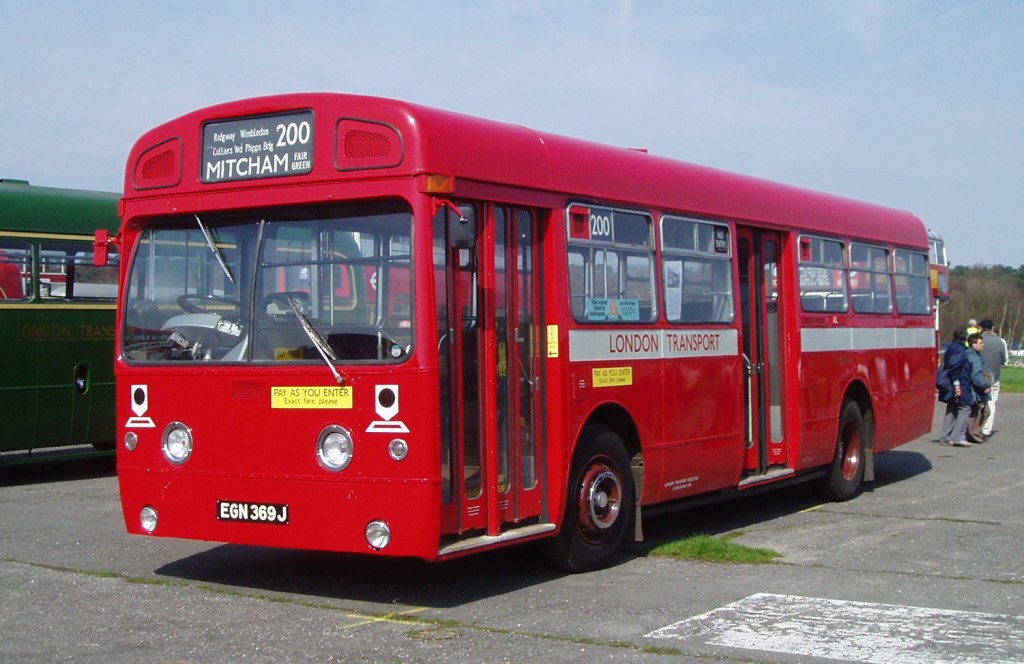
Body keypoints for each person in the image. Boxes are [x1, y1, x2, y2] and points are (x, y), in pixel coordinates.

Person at [938, 327, 973, 447]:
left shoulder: (952, 347)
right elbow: (954, 367)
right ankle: (959, 436)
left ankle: (946, 437)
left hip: (953, 381)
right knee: (965, 407)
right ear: (965, 337)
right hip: (960, 381)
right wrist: (957, 384)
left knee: (952, 407)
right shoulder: (960, 349)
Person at [979, 319, 1008, 437]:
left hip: (978, 376)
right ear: (993, 328)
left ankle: (975, 427)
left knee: (977, 402)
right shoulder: (1001, 341)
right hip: (994, 376)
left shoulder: (977, 340)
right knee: (991, 402)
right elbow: (1004, 360)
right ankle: (986, 429)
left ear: (981, 328)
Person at [964, 333, 992, 442]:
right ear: (973, 343)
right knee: (985, 411)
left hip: (972, 388)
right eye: (981, 343)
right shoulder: (975, 357)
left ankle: (972, 432)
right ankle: (973, 433)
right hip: (976, 390)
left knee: (975, 411)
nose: (983, 345)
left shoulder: (969, 354)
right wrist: (985, 386)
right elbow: (976, 375)